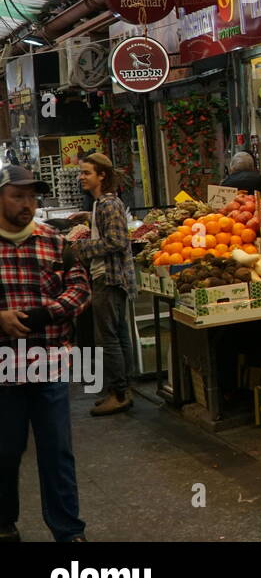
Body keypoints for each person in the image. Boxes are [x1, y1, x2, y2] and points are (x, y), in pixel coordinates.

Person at [0, 165, 93, 543]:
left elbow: (81, 290)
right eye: (17, 196)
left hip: (50, 360)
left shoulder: (54, 241)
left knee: (56, 450)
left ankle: (68, 531)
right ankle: (4, 522)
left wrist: (47, 313)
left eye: (32, 196)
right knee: (5, 451)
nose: (27, 204)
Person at [66, 153, 136, 416]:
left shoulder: (108, 204)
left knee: (108, 337)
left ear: (102, 176)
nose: (80, 177)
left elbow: (117, 241)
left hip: (109, 276)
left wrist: (80, 247)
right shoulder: (101, 205)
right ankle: (123, 389)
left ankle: (119, 393)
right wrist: (89, 216)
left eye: (86, 173)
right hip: (109, 276)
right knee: (118, 334)